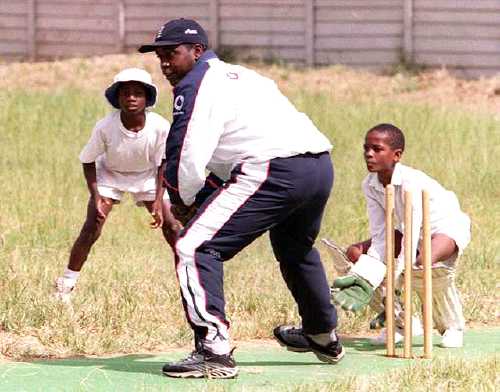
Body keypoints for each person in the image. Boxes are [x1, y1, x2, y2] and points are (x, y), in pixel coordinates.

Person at [138, 18, 344, 379]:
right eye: (160, 56)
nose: (165, 63)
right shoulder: (242, 75)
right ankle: (322, 334)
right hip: (318, 165)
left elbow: (186, 150)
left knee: (194, 248)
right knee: (296, 249)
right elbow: (233, 144)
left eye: (172, 53)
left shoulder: (196, 83)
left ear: (197, 51)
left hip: (273, 169)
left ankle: (214, 350)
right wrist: (201, 195)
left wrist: (183, 202)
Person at [330, 123, 470, 348]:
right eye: (366, 148)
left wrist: (398, 272)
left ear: (397, 155)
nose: (369, 154)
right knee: (356, 254)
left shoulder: (410, 182)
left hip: (443, 228)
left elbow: (415, 228)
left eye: (377, 149)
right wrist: (368, 272)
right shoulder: (370, 184)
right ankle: (401, 322)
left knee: (423, 264)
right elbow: (380, 234)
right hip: (408, 231)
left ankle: (452, 326)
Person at [54, 68, 179, 303]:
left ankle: (188, 280)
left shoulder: (160, 126)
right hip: (110, 174)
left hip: (148, 176)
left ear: (147, 98)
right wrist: (96, 196)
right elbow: (88, 160)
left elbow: (163, 164)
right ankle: (66, 284)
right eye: (125, 93)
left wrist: (159, 200)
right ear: (117, 98)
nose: (131, 98)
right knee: (93, 224)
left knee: (172, 226)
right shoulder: (105, 126)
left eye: (137, 93)